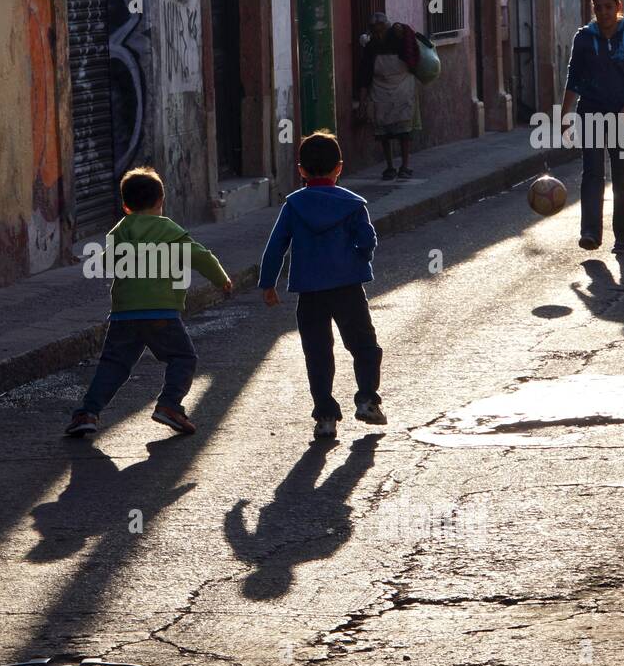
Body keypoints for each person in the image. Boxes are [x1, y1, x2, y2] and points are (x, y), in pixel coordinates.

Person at [64, 167, 233, 438]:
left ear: (126, 206)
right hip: (161, 312)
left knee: (114, 365)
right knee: (182, 357)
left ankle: (87, 413)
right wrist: (222, 280)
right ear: (160, 202)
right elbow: (201, 256)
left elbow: (107, 261)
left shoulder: (122, 229)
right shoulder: (169, 230)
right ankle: (169, 405)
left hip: (124, 314)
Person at [259, 131, 386, 439]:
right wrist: (359, 258)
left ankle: (326, 417)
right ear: (338, 168)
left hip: (310, 293)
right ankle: (367, 398)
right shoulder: (353, 205)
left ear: (301, 170)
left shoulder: (293, 206)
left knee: (317, 353)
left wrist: (268, 282)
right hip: (348, 289)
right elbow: (367, 240)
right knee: (363, 345)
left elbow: (276, 245)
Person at [560, 0, 624, 255]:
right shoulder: (584, 38)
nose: (603, 13)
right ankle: (590, 232)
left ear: (618, 7)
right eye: (598, 8)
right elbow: (574, 77)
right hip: (590, 112)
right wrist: (564, 114)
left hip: (622, 116)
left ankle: (623, 237)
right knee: (592, 173)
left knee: (622, 175)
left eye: (608, 7)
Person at [357, 12, 422, 181]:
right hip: (380, 89)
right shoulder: (371, 47)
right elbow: (365, 74)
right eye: (375, 31)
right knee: (383, 131)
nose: (379, 34)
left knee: (404, 130)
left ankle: (405, 166)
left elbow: (412, 55)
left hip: (403, 87)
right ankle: (390, 166)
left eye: (381, 30)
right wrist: (363, 101)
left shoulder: (400, 39)